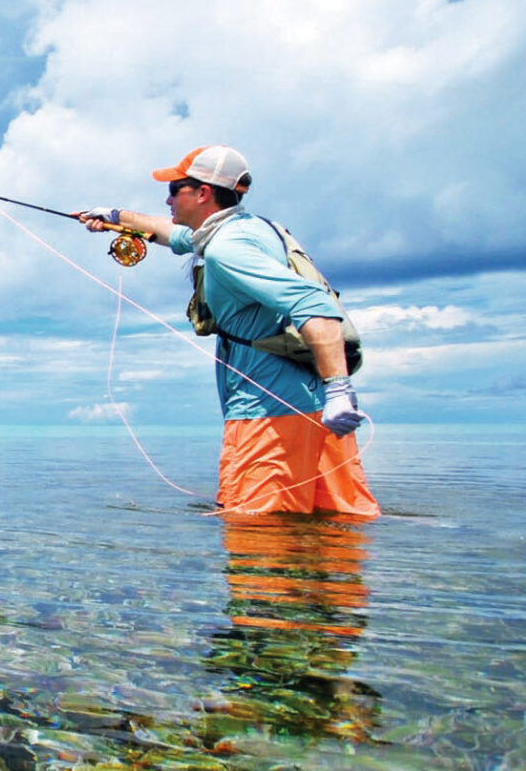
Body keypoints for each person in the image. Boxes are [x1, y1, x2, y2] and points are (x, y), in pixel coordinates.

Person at [79, 146, 379, 519]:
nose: (168, 198)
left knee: (254, 536)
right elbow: (167, 232)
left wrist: (340, 389)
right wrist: (112, 216)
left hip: (267, 418)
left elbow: (314, 304)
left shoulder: (227, 249)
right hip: (317, 414)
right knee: (336, 528)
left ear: (202, 193)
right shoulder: (248, 229)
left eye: (175, 189)